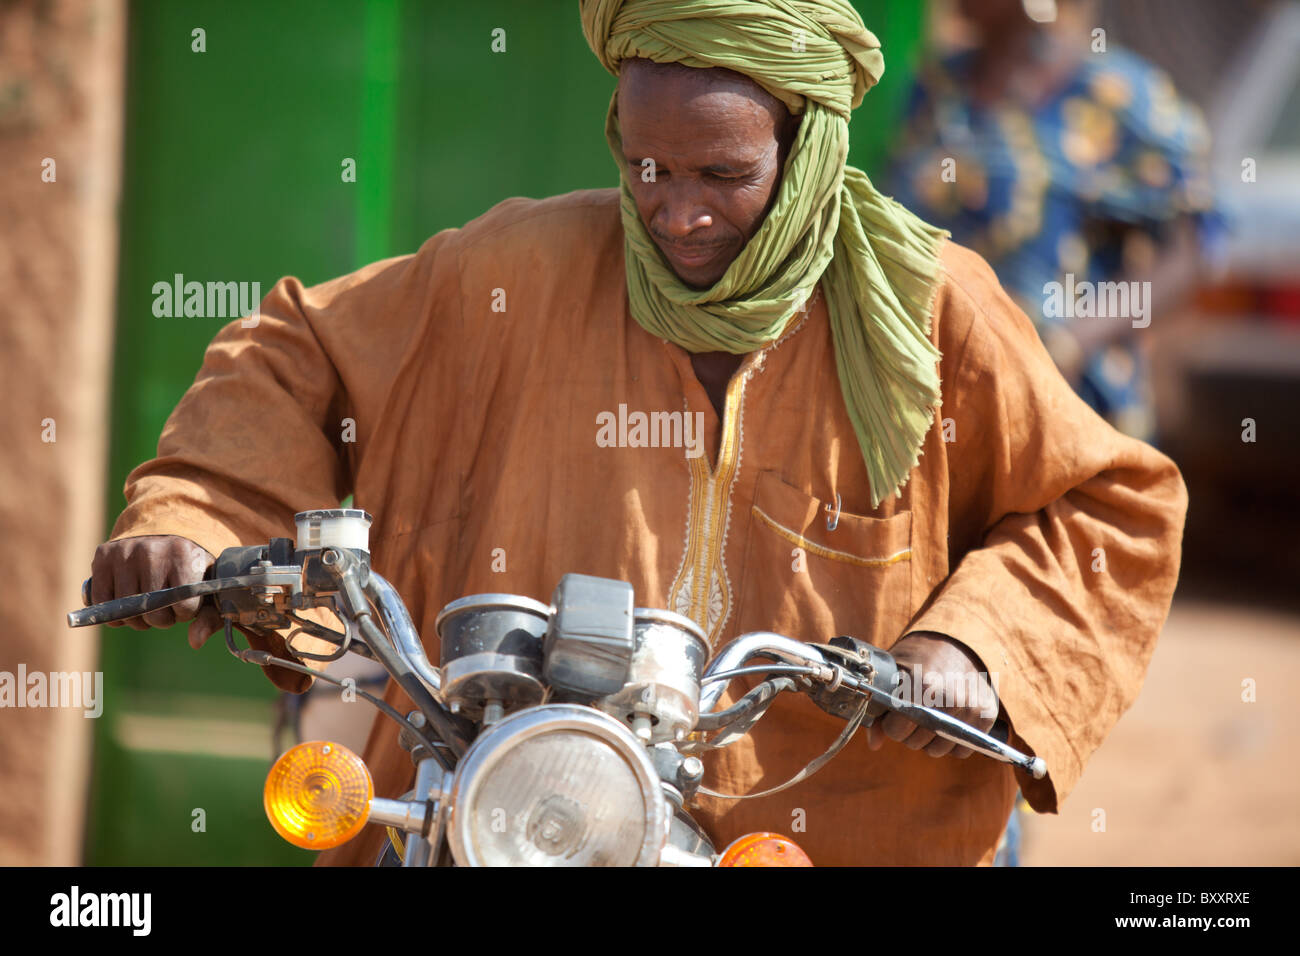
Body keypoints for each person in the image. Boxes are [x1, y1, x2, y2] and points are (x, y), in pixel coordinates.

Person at [84, 0, 1187, 866]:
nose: (677, 212)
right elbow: (293, 351)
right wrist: (196, 510)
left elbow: (1108, 504)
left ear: (803, 152)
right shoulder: (512, 273)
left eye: (724, 174)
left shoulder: (938, 315)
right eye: (648, 168)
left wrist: (971, 645)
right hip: (521, 813)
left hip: (835, 841)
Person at [888, 0, 1219, 442]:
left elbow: (1194, 247)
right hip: (935, 397)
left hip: (1062, 406)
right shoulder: (937, 85)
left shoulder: (1113, 95)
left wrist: (1072, 342)